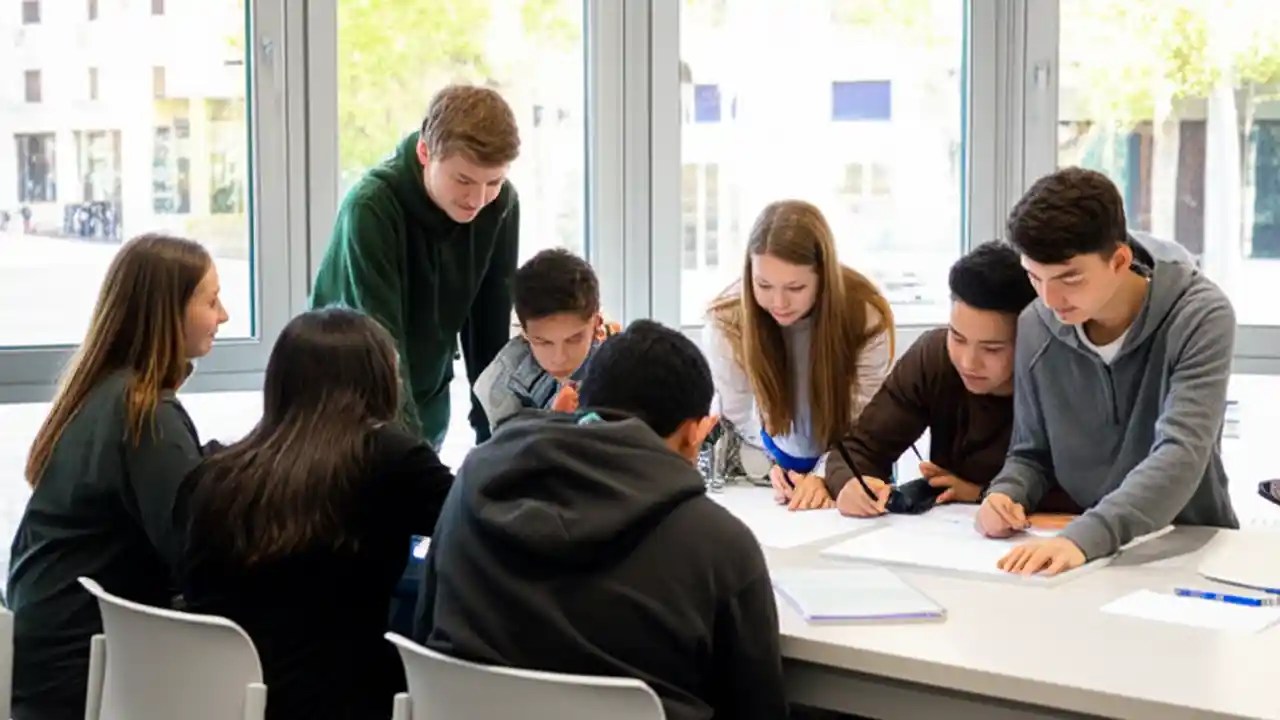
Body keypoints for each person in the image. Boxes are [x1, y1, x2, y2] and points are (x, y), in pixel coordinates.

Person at [415, 320, 787, 720]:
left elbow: (425, 632)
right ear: (693, 433)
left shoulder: (474, 483)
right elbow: (759, 708)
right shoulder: (718, 545)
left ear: (578, 403)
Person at [177, 307, 453, 720]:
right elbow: (473, 525)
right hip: (346, 701)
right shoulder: (390, 459)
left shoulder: (214, 473)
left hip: (219, 704)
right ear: (379, 383)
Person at [7, 234, 228, 720]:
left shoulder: (99, 395)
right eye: (211, 301)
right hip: (75, 670)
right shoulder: (146, 412)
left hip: (39, 652)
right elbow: (194, 554)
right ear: (167, 312)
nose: (224, 315)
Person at [978, 167, 1238, 576]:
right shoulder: (1036, 323)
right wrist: (1006, 494)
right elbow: (1031, 453)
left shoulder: (1200, 315)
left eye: (1070, 278)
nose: (1050, 299)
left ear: (1120, 260)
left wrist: (1087, 536)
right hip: (1093, 560)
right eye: (1034, 277)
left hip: (1192, 550)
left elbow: (1181, 453)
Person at [310, 84, 521, 450]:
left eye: (494, 182)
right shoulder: (371, 209)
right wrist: (411, 460)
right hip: (345, 407)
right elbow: (382, 349)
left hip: (425, 401)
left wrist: (497, 444)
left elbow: (489, 330)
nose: (478, 199)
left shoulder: (500, 205)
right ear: (425, 152)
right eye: (463, 180)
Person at [827, 241, 1055, 516]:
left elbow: (1092, 490)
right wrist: (852, 485)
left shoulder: (1057, 375)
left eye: (991, 348)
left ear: (1029, 336)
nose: (968, 362)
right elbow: (858, 450)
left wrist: (984, 493)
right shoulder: (934, 357)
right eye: (957, 337)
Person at [705, 199, 894, 511]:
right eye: (763, 284)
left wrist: (824, 475)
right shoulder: (726, 321)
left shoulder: (865, 314)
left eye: (795, 287)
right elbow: (738, 414)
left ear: (824, 277)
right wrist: (777, 469)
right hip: (764, 473)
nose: (778, 302)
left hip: (851, 464)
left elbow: (864, 422)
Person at [473, 248, 618, 430]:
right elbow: (510, 454)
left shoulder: (621, 360)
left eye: (574, 339)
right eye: (544, 342)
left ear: (596, 323)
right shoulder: (501, 382)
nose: (560, 357)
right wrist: (555, 423)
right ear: (524, 332)